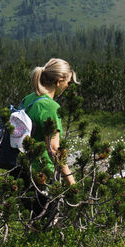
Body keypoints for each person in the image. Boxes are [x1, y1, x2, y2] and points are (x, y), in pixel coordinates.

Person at [20, 58, 79, 189]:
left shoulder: (29, 99)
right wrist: (72, 183)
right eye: (68, 83)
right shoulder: (50, 107)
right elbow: (53, 149)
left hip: (22, 170)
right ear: (59, 82)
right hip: (43, 175)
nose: (68, 86)